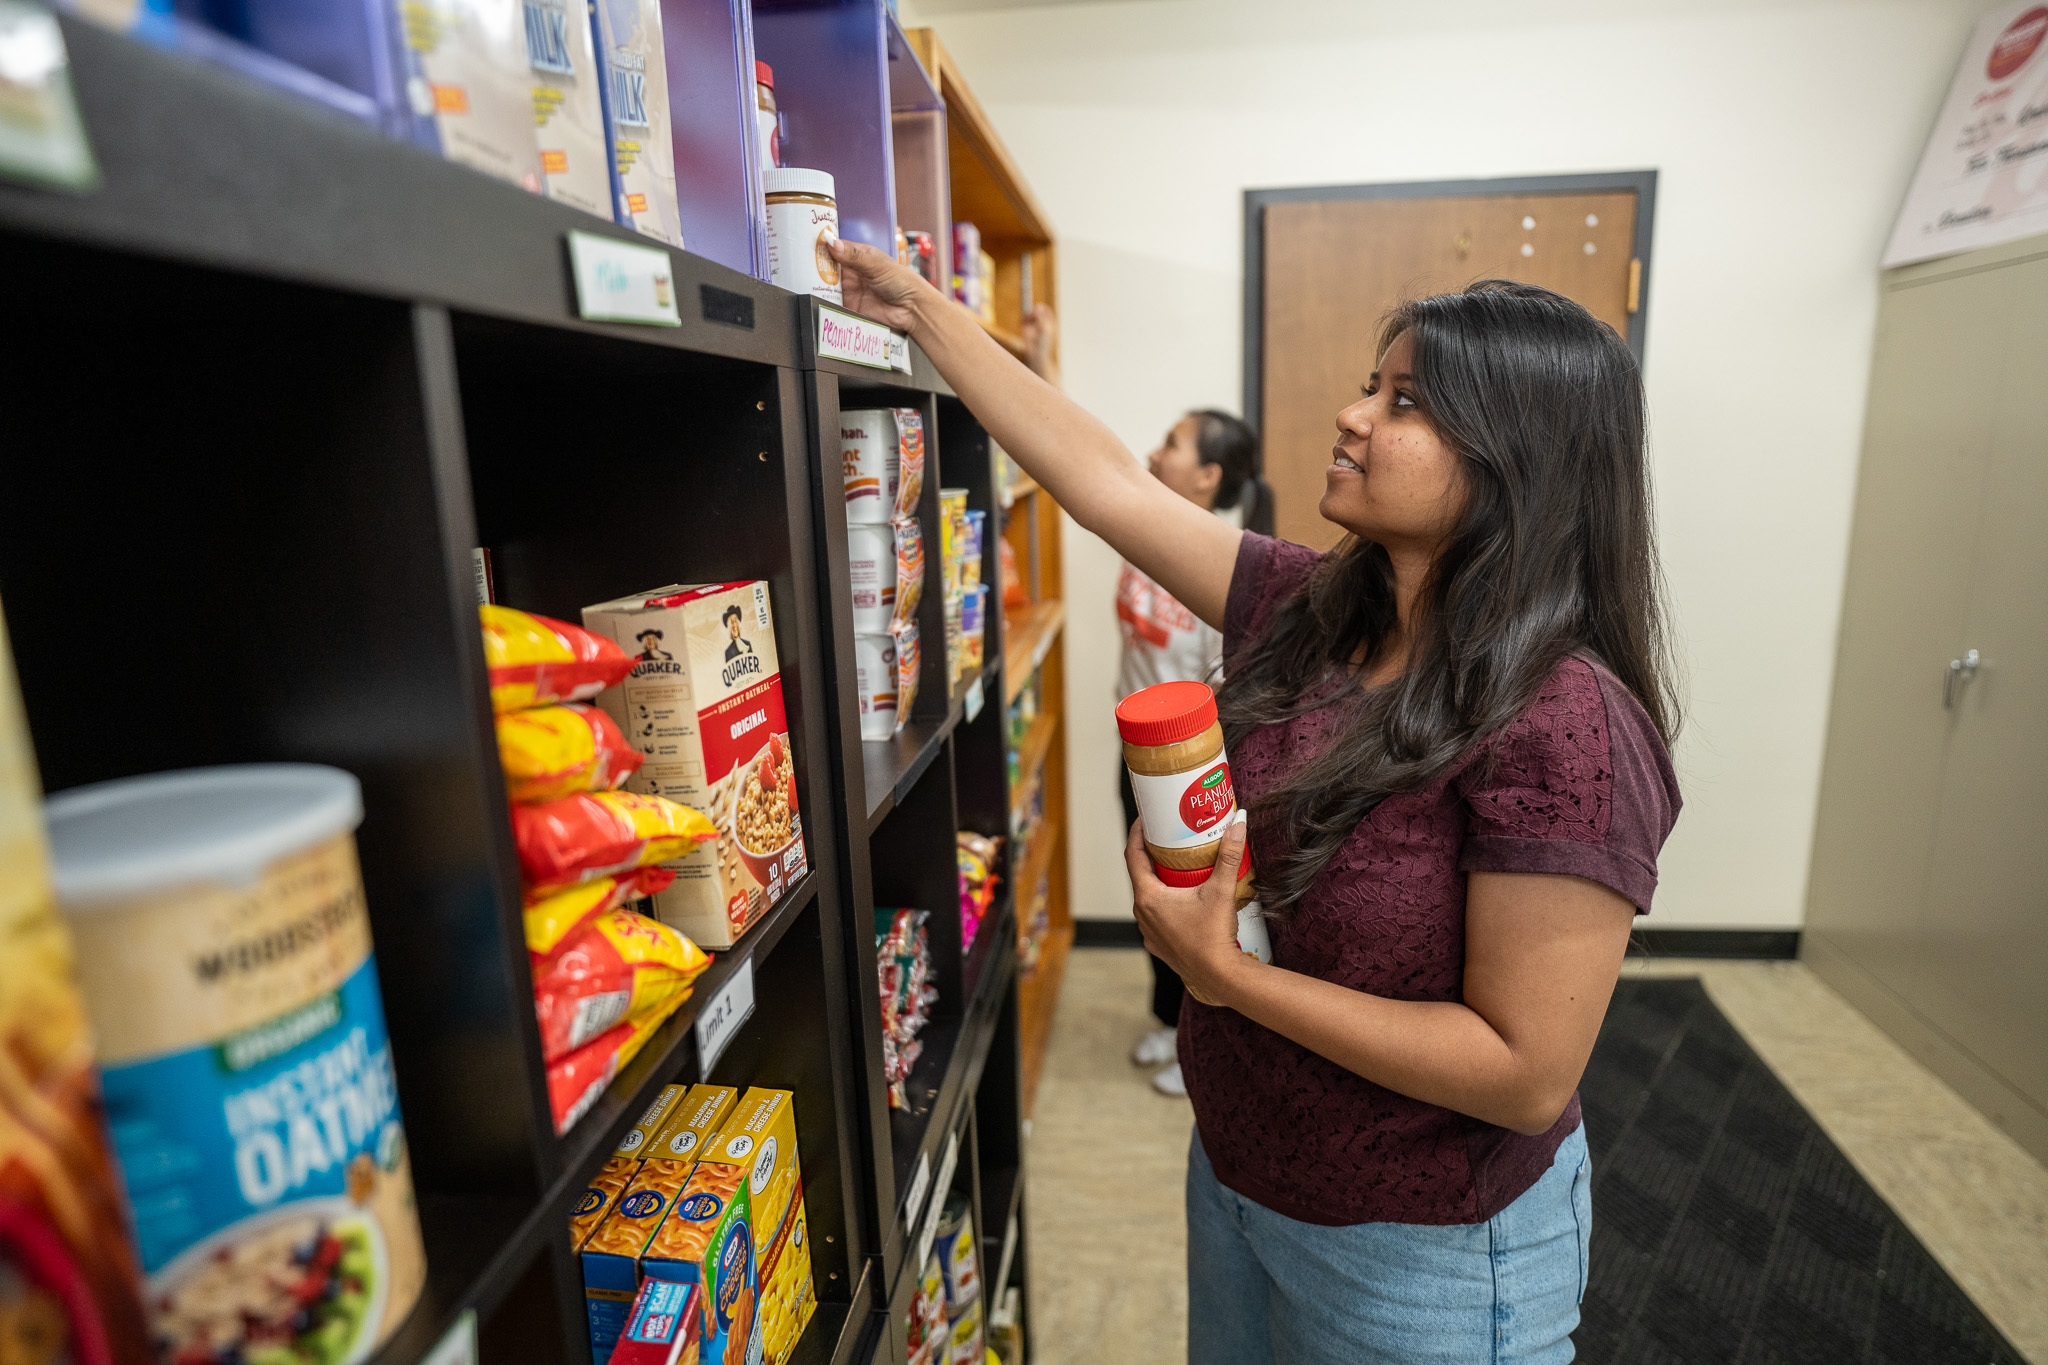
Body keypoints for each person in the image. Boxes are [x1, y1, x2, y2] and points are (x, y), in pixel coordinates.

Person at [831, 235, 1680, 1364]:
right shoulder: (1318, 606)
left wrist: (1222, 978)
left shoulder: (1562, 718)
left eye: (1405, 403)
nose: (1349, 413)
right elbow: (1108, 485)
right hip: (1241, 1173)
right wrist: (920, 313)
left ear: (1516, 458)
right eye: (1371, 384)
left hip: (1418, 1251)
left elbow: (1522, 1074)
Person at [1117, 409, 1264, 1096]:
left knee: (1198, 907)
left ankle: (1204, 1044)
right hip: (1136, 758)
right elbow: (1082, 464)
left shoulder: (1229, 568)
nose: (1155, 450)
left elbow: (1235, 693)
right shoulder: (1145, 530)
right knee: (1149, 899)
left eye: (1171, 443)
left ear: (1208, 476)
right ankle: (1172, 1023)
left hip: (1190, 775)